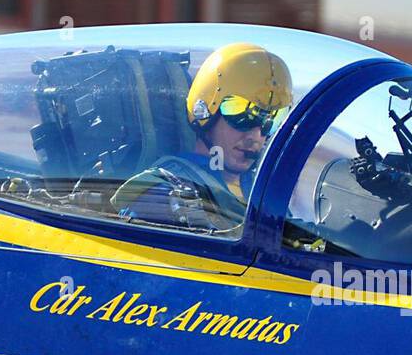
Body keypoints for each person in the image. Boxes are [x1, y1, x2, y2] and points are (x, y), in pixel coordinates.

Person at [112, 42, 293, 232]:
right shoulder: (164, 197)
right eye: (241, 115)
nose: (256, 136)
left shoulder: (264, 191)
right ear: (206, 112)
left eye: (271, 120)